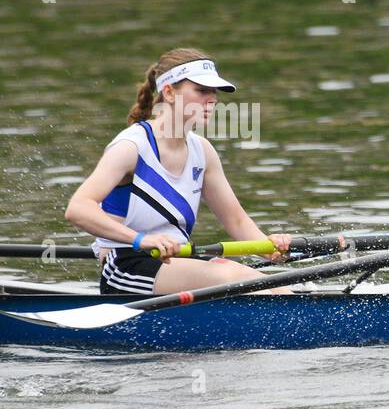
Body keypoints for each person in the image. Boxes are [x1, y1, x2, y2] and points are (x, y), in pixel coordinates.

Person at [65, 48, 291, 295]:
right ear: (170, 92)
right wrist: (140, 239)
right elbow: (78, 208)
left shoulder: (203, 151)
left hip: (177, 261)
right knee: (238, 277)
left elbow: (236, 220)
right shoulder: (131, 147)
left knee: (277, 288)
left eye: (213, 92)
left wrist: (267, 246)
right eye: (201, 91)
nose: (212, 99)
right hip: (126, 266)